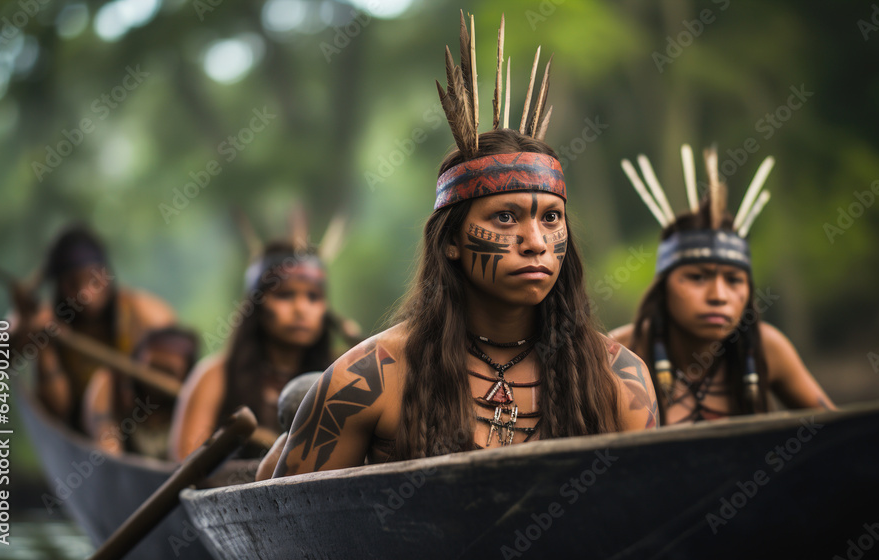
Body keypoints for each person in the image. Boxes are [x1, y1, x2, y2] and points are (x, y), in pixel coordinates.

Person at [270, 13, 657, 478]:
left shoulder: (619, 378)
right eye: (505, 217)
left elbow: (650, 522)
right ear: (451, 241)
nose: (536, 242)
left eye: (550, 218)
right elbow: (287, 523)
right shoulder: (369, 378)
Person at [610, 145, 834, 425]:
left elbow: (840, 437)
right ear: (664, 286)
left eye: (733, 280)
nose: (719, 296)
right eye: (697, 277)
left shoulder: (767, 348)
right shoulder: (618, 355)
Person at [0, 225, 176, 429]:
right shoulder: (48, 320)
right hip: (81, 428)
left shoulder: (143, 312)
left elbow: (178, 362)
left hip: (142, 423)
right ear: (59, 286)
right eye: (73, 283)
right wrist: (23, 320)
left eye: (93, 279)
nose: (85, 293)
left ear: (106, 274)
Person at [169, 241, 339, 460]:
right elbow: (185, 468)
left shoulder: (339, 377)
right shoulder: (215, 376)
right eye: (285, 295)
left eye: (313, 297)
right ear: (257, 303)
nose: (301, 309)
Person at [82, 327, 199, 459]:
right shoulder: (115, 390)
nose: (157, 379)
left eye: (168, 372)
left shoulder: (191, 410)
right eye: (153, 368)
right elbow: (108, 449)